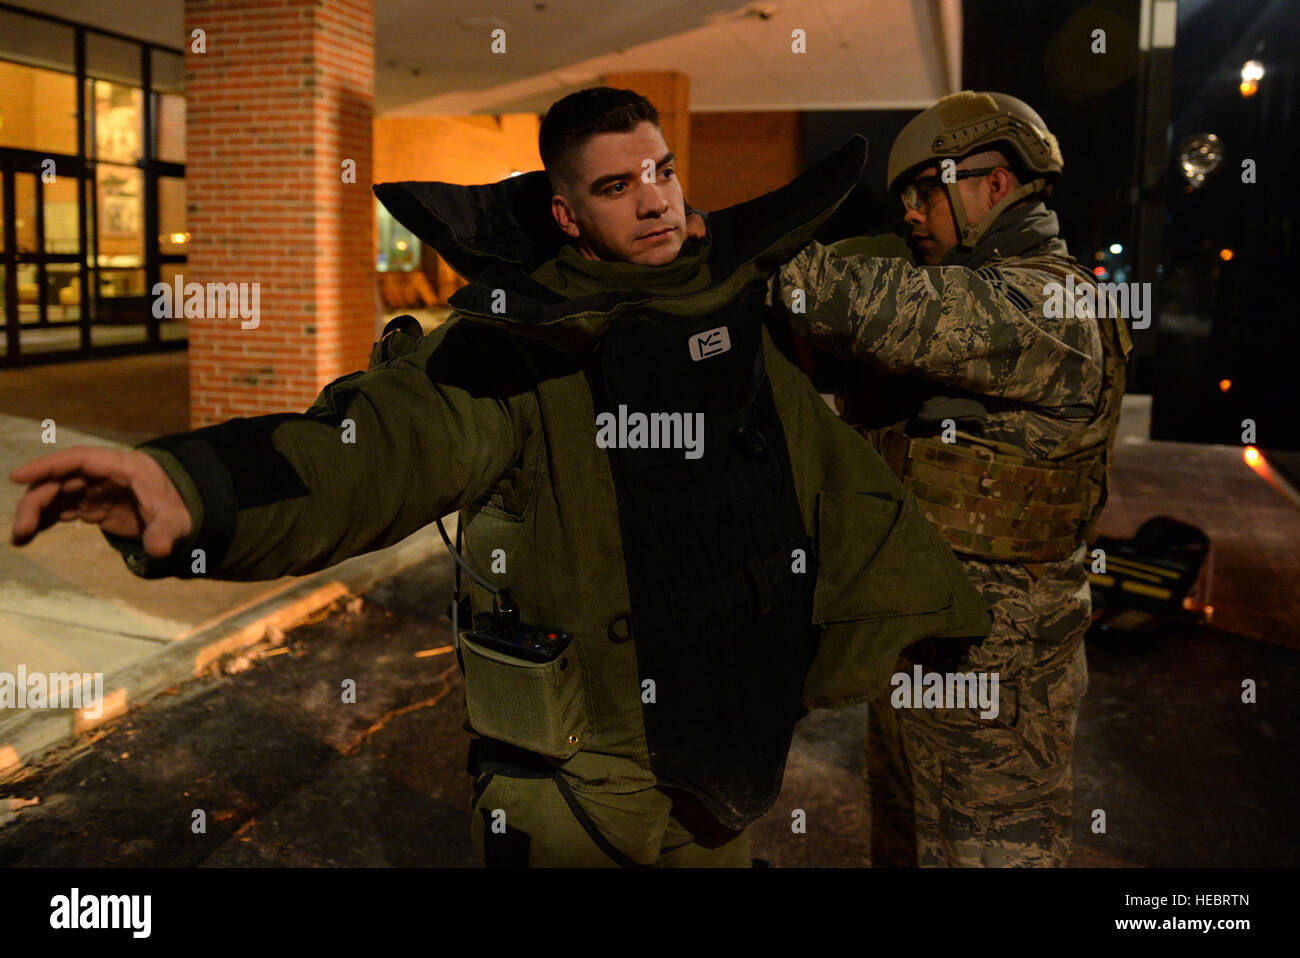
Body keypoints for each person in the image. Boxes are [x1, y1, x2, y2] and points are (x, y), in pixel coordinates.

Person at [10, 87, 989, 867]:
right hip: (581, 781)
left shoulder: (735, 301)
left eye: (661, 170)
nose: (653, 198)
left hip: (727, 767)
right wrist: (195, 488)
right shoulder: (515, 347)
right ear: (565, 213)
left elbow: (843, 441)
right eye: (616, 187)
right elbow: (372, 452)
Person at [776, 91, 1132, 866]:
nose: (910, 212)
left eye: (927, 189)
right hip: (918, 652)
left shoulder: (1050, 302)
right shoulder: (958, 288)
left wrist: (749, 250)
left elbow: (877, 307)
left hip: (1003, 679)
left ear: (995, 184)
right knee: (901, 844)